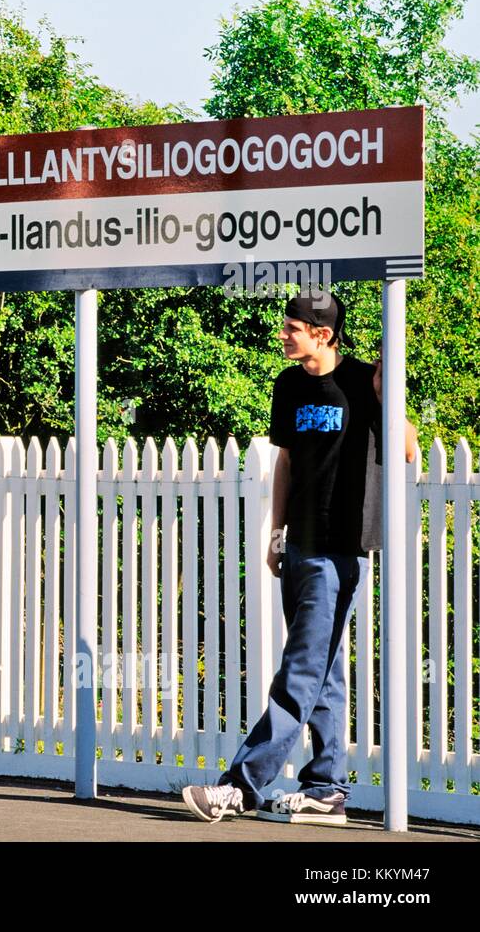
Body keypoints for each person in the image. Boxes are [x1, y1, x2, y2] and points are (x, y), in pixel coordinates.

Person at [182, 289, 417, 825]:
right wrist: (276, 531)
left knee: (301, 670)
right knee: (325, 670)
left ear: (323, 334)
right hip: (302, 544)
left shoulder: (363, 381)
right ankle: (325, 789)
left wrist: (388, 393)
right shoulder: (288, 385)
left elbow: (407, 448)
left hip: (341, 549)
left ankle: (240, 786)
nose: (283, 335)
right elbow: (285, 460)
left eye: (292, 327)